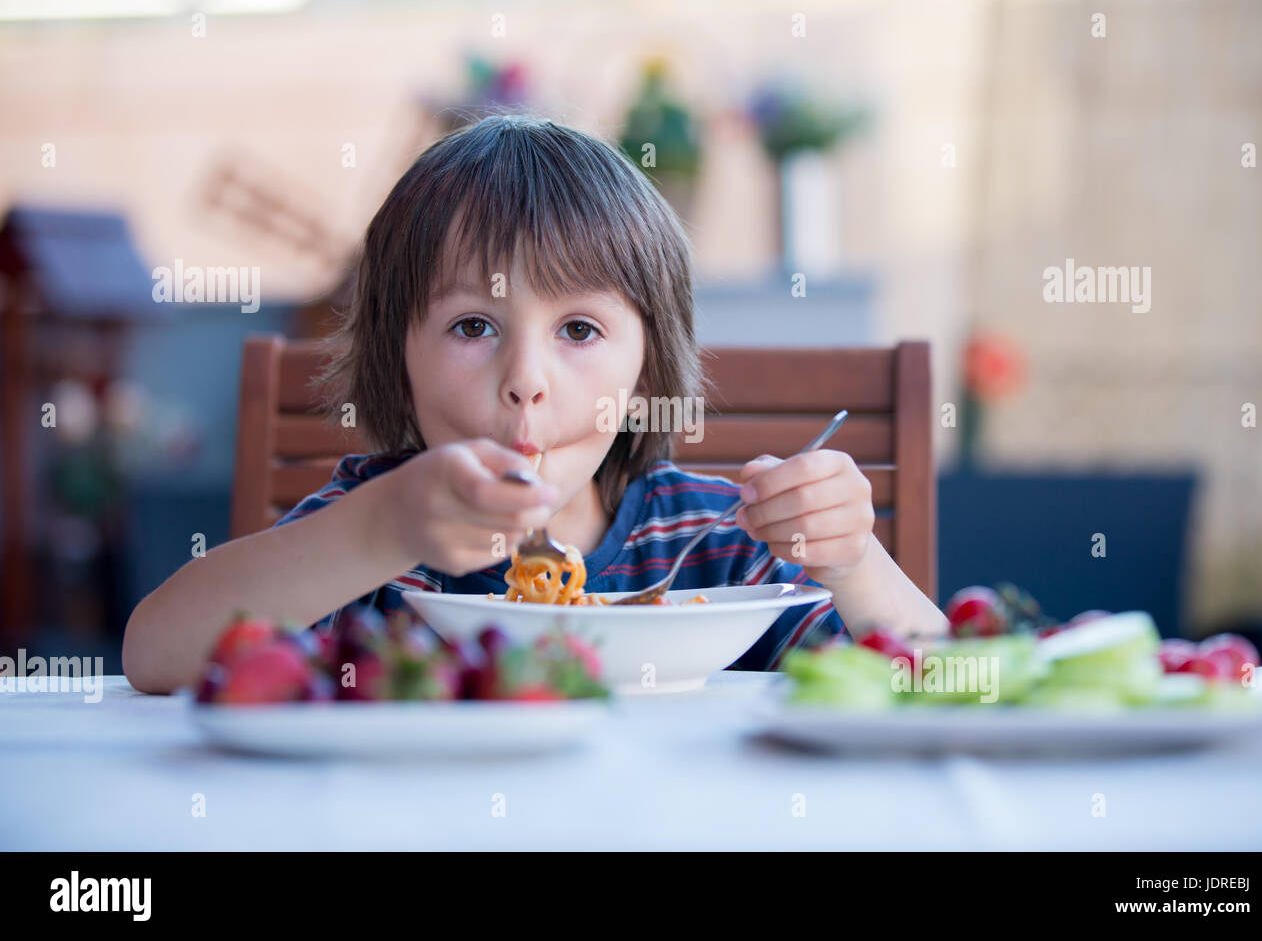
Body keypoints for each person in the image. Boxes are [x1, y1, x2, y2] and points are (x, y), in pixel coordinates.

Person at [123, 114, 948, 695]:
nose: (526, 378)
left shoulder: (715, 546)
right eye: (473, 324)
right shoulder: (373, 531)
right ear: (394, 354)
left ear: (647, 367)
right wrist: (378, 529)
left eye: (579, 328)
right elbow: (154, 655)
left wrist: (853, 564)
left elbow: (943, 682)